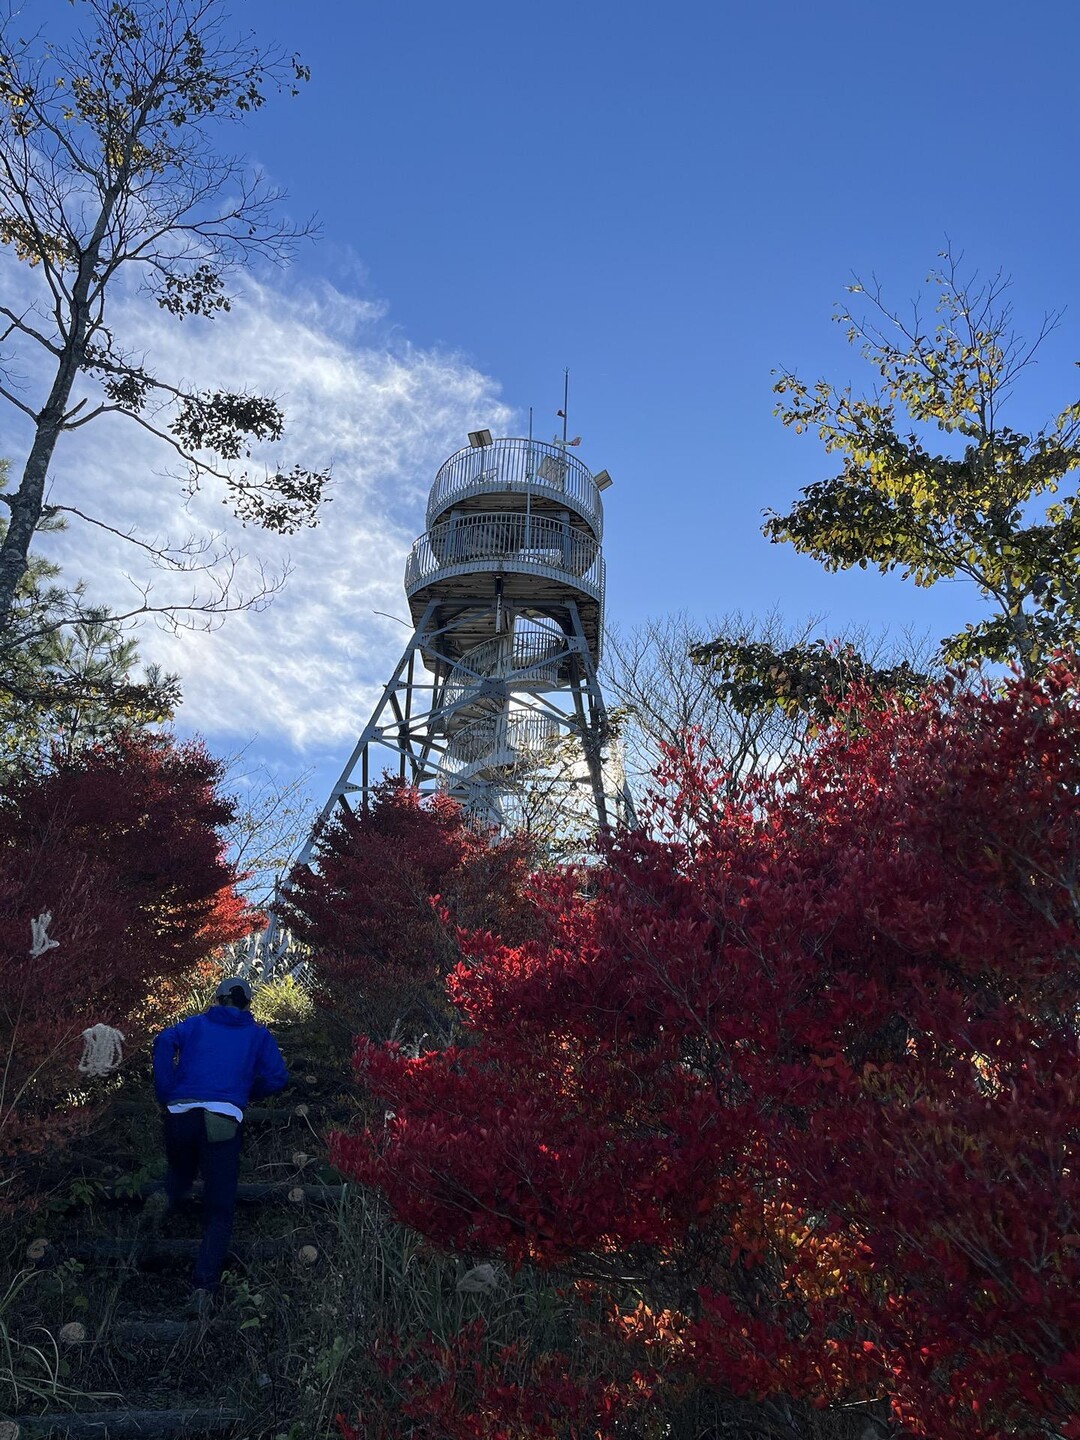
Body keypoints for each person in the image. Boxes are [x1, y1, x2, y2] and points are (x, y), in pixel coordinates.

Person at [151, 976, 289, 1301]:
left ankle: (151, 1221)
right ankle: (203, 1285)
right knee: (219, 1206)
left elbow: (162, 1041)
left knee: (180, 1177)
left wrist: (166, 1090)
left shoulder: (195, 1025)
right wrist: (244, 1093)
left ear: (217, 999)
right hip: (221, 1121)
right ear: (247, 1004)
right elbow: (278, 1077)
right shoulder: (257, 1035)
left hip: (179, 1114)